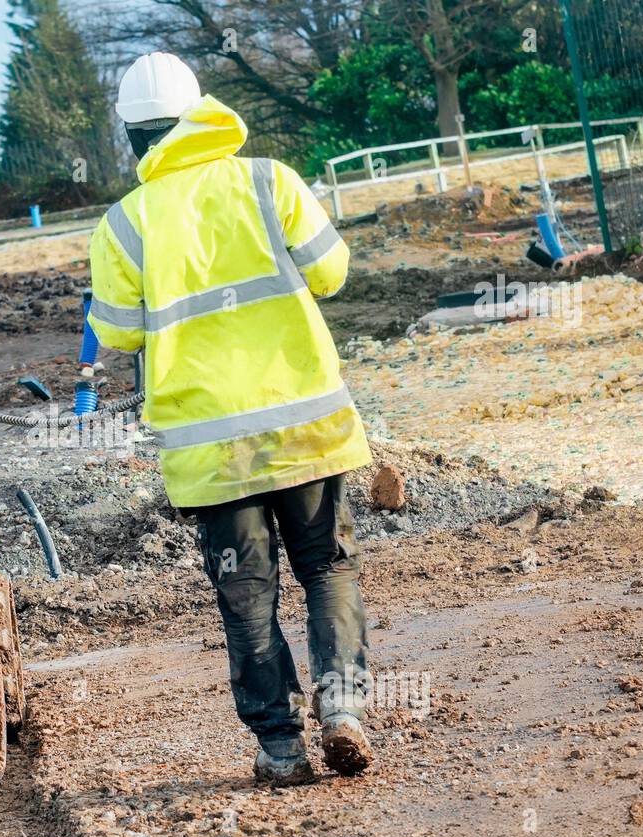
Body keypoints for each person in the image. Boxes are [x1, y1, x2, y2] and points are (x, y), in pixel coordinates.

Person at [87, 52, 374, 785]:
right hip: (306, 430)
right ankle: (341, 707)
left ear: (134, 135)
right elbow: (332, 273)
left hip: (213, 455)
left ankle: (281, 747)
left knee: (248, 595)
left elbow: (116, 332)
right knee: (326, 570)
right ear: (198, 113)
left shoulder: (124, 224)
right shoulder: (268, 180)